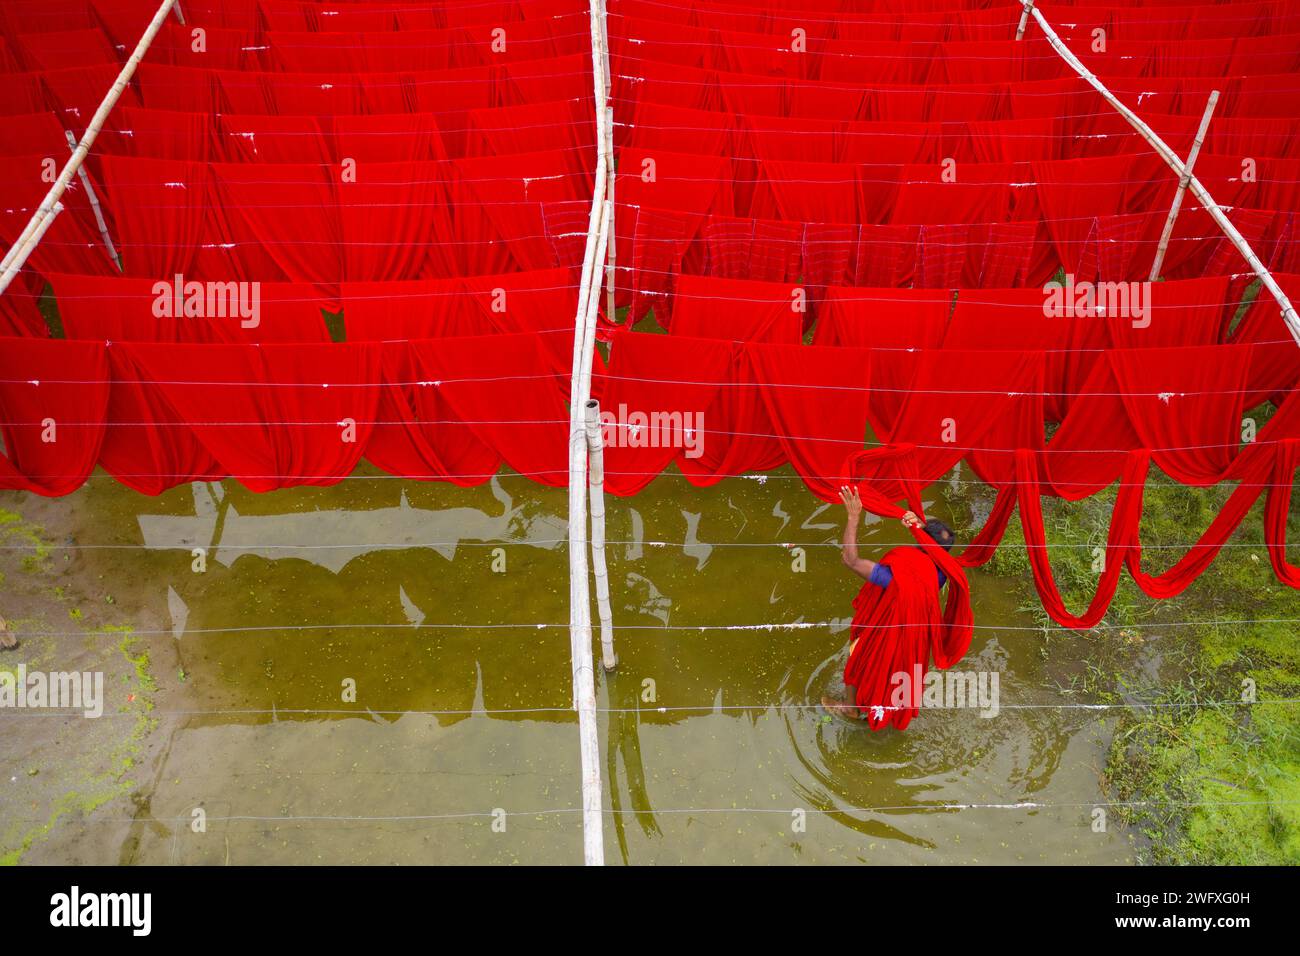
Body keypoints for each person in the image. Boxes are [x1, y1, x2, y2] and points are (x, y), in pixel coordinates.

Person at [821, 485, 956, 721]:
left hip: (890, 632)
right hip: (915, 637)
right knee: (900, 675)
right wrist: (918, 527)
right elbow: (931, 546)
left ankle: (852, 708)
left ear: (922, 541)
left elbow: (850, 560)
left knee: (858, 654)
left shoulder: (897, 574)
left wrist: (853, 517)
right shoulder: (943, 571)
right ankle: (890, 712)